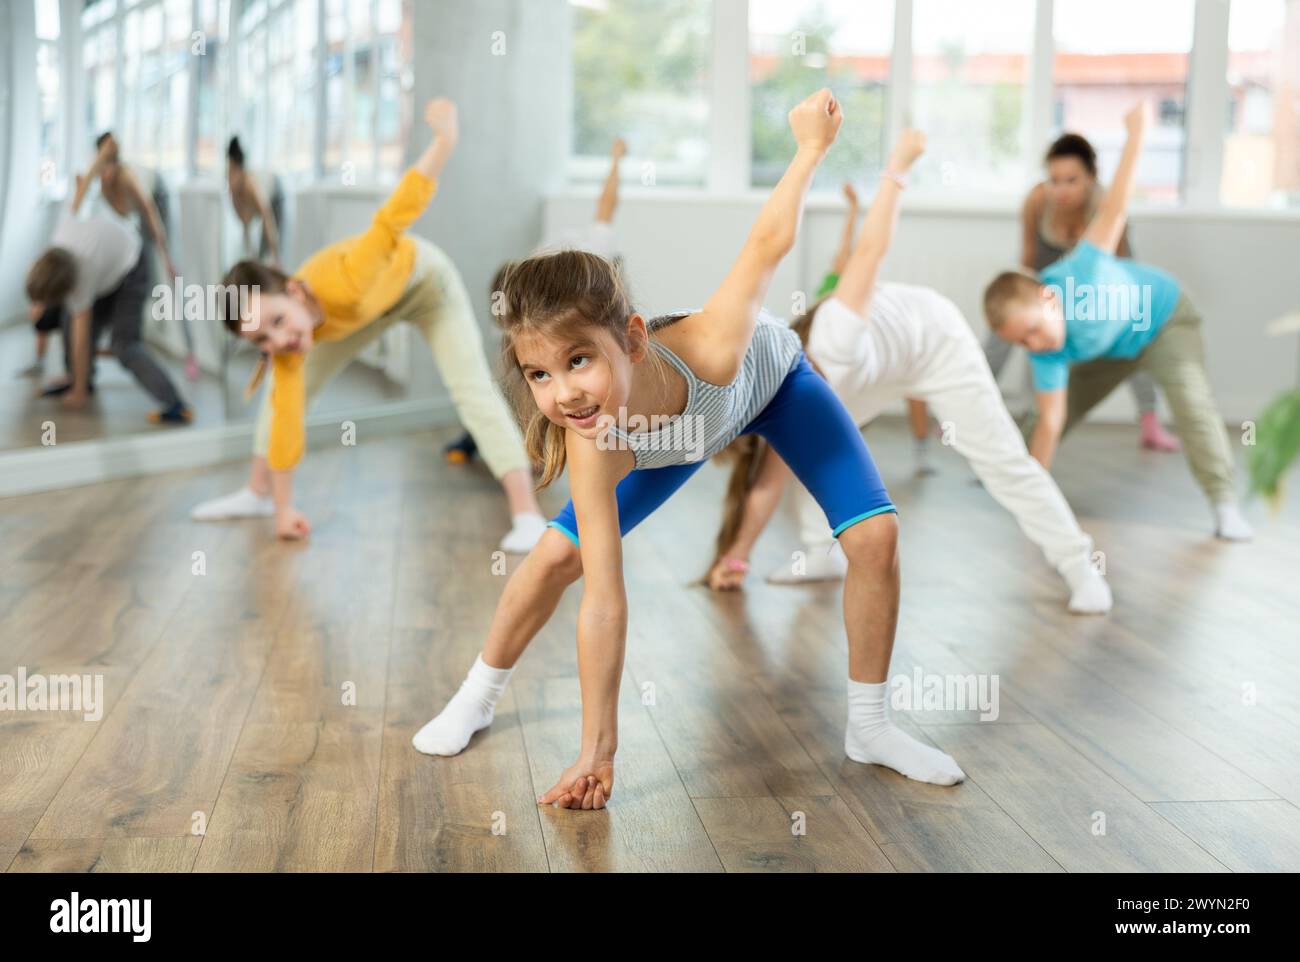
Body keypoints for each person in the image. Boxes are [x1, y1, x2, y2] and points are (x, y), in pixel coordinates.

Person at [413, 91, 967, 810]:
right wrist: (596, 752)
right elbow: (605, 604)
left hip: (774, 390)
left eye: (580, 361)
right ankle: (476, 695)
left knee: (877, 536)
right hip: (673, 446)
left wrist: (808, 150)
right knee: (556, 555)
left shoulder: (710, 345)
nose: (564, 393)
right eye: (540, 374)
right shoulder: (594, 444)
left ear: (634, 339)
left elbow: (767, 243)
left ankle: (870, 727)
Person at [703, 131, 1112, 615]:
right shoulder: (790, 401)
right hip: (875, 371)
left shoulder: (835, 336)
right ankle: (821, 553)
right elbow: (768, 479)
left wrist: (897, 167)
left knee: (1003, 463)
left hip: (936, 342)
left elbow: (871, 250)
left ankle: (1082, 569)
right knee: (811, 451)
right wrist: (736, 558)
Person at [191, 98, 548, 553]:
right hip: (357, 318)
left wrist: (444, 141)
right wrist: (286, 511)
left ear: (296, 291)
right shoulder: (290, 343)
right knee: (282, 401)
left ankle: (527, 516)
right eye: (262, 338)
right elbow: (287, 424)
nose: (279, 340)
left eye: (277, 321)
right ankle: (261, 495)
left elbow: (393, 216)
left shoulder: (346, 279)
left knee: (471, 388)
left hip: (427, 288)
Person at [984, 104, 1253, 542]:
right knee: (1040, 419)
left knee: (1192, 405)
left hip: (1164, 321)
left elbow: (1116, 207)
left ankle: (1224, 504)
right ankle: (1014, 485)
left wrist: (1136, 135)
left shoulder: (1082, 271)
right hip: (1111, 351)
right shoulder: (1047, 348)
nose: (1033, 345)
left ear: (1050, 299)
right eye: (1024, 342)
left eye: (1033, 332)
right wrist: (1034, 505)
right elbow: (1052, 421)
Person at [443, 136, 629, 464]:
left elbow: (607, 203)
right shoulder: (525, 290)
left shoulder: (596, 252)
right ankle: (477, 437)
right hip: (530, 296)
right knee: (513, 378)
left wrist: (616, 160)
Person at [24, 139, 193, 423]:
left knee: (123, 345)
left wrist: (76, 394)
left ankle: (176, 403)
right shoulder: (61, 234)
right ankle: (81, 379)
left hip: (131, 265)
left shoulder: (81, 279)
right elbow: (83, 187)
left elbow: (81, 338)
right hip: (109, 260)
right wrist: (99, 158)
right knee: (68, 321)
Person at [818, 182, 935, 475]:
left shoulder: (869, 298)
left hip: (868, 359)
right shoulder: (832, 286)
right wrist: (854, 209)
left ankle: (921, 450)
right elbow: (849, 246)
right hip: (837, 368)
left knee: (915, 387)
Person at [87, 131, 199, 381]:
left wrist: (166, 257)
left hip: (157, 203)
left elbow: (148, 210)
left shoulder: (126, 176)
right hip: (134, 220)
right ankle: (121, 333)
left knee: (162, 275)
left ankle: (191, 352)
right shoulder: (102, 180)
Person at [226, 136, 283, 266]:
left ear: (240, 171)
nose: (229, 179)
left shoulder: (251, 185)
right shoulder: (234, 195)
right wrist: (251, 259)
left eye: (232, 173)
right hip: (262, 204)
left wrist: (276, 258)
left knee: (269, 253)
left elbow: (267, 217)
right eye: (227, 174)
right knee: (257, 258)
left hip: (277, 197)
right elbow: (246, 227)